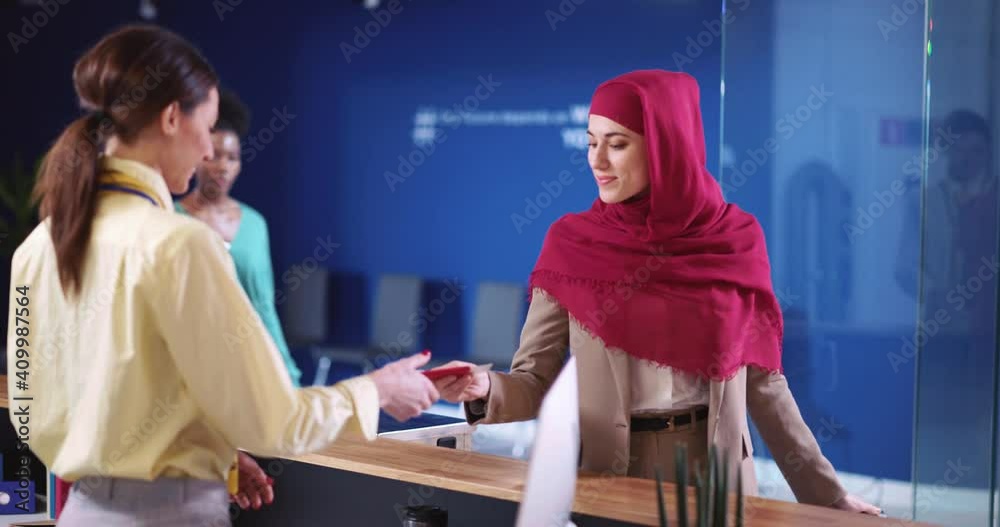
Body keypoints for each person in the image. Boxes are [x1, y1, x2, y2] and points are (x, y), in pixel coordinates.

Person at [9, 24, 439, 526]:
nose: (209, 153)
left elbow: (30, 404)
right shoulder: (180, 244)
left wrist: (204, 447)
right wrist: (378, 390)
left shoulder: (40, 244)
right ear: (172, 117)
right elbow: (275, 421)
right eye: (206, 127)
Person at [435, 70, 881, 515]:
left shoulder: (734, 240)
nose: (598, 160)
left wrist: (827, 496)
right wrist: (484, 388)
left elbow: (764, 386)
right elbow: (535, 382)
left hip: (715, 474)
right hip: (611, 471)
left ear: (667, 144)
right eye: (591, 142)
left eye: (617, 143)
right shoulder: (572, 246)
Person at [175, 88, 303, 387]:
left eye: (232, 158)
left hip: (249, 369)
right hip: (191, 370)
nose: (223, 166)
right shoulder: (171, 219)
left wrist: (287, 372)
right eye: (214, 156)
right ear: (198, 157)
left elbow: (264, 305)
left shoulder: (255, 224)